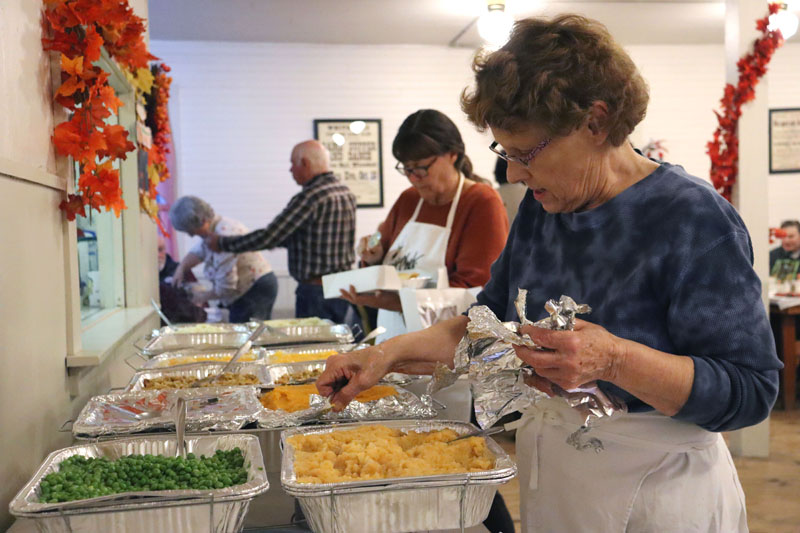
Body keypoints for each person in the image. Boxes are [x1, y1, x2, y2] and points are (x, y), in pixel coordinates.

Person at [318, 15, 782, 532]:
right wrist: (384, 356)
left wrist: (615, 359)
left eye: (525, 153)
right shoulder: (545, 209)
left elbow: (750, 390)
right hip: (562, 479)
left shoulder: (692, 219)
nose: (513, 174)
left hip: (659, 494)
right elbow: (483, 326)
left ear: (596, 121)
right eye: (504, 153)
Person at [341, 109, 509, 341]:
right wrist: (373, 256)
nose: (413, 178)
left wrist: (395, 302)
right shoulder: (408, 200)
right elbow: (381, 259)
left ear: (452, 154)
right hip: (393, 337)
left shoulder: (481, 202)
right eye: (406, 169)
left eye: (420, 167)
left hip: (446, 343)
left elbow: (477, 292)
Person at [206, 140, 360, 328]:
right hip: (341, 288)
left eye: (292, 164)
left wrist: (223, 243)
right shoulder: (346, 192)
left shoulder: (310, 197)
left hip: (315, 290)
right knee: (335, 343)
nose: (290, 170)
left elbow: (270, 236)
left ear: (305, 163)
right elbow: (307, 237)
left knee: (312, 348)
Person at [170, 196, 277, 322]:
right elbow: (199, 251)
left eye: (191, 231)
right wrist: (181, 268)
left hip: (254, 289)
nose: (191, 235)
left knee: (248, 336)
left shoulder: (223, 233)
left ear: (203, 220)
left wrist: (200, 297)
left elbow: (226, 286)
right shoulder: (213, 227)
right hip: (250, 288)